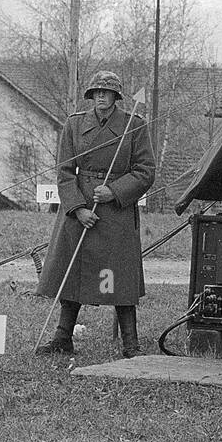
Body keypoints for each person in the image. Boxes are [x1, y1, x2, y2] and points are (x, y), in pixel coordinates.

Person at [36, 71, 155, 357]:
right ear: (91, 96)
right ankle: (63, 338)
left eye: (107, 92)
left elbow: (146, 171)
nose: (101, 96)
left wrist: (115, 191)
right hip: (79, 211)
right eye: (96, 92)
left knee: (120, 278)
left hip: (116, 213)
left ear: (116, 96)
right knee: (72, 273)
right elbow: (64, 172)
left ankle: (131, 345)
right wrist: (77, 209)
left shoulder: (134, 125)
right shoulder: (74, 124)